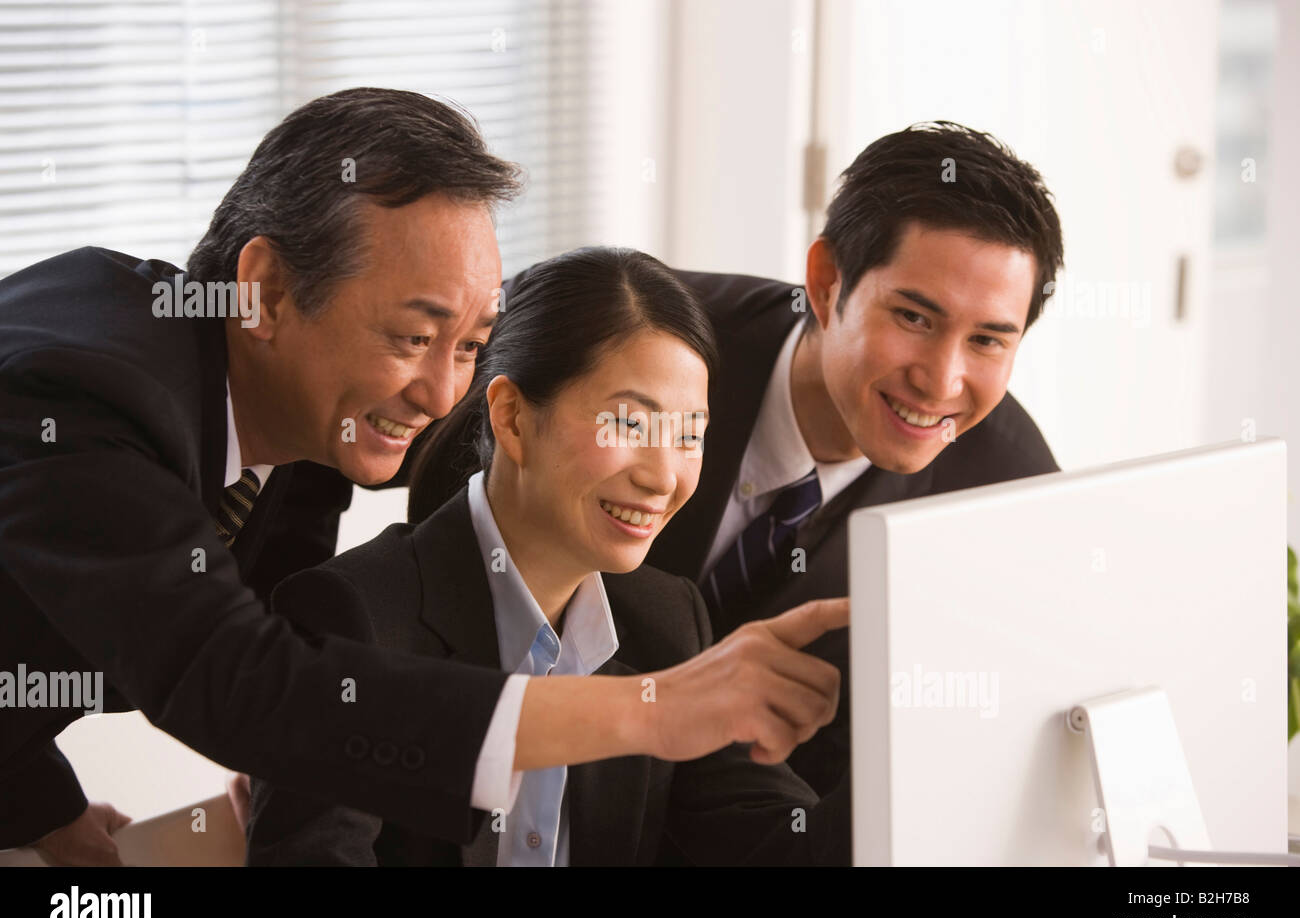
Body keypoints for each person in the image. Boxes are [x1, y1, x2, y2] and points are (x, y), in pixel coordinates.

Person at [0, 88, 845, 863]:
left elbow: (289, 690)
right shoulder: (90, 396)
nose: (445, 393)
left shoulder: (299, 447)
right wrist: (652, 709)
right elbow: (242, 681)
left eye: (470, 346)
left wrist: (37, 802)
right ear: (263, 291)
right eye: (411, 337)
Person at [247, 247, 847, 866]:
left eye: (689, 435)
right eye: (630, 426)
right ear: (510, 417)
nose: (664, 478)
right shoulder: (349, 616)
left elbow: (781, 845)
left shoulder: (666, 619)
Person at [643, 122, 1066, 796]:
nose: (941, 381)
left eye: (988, 341)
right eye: (915, 319)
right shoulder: (643, 341)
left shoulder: (1007, 488)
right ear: (826, 282)